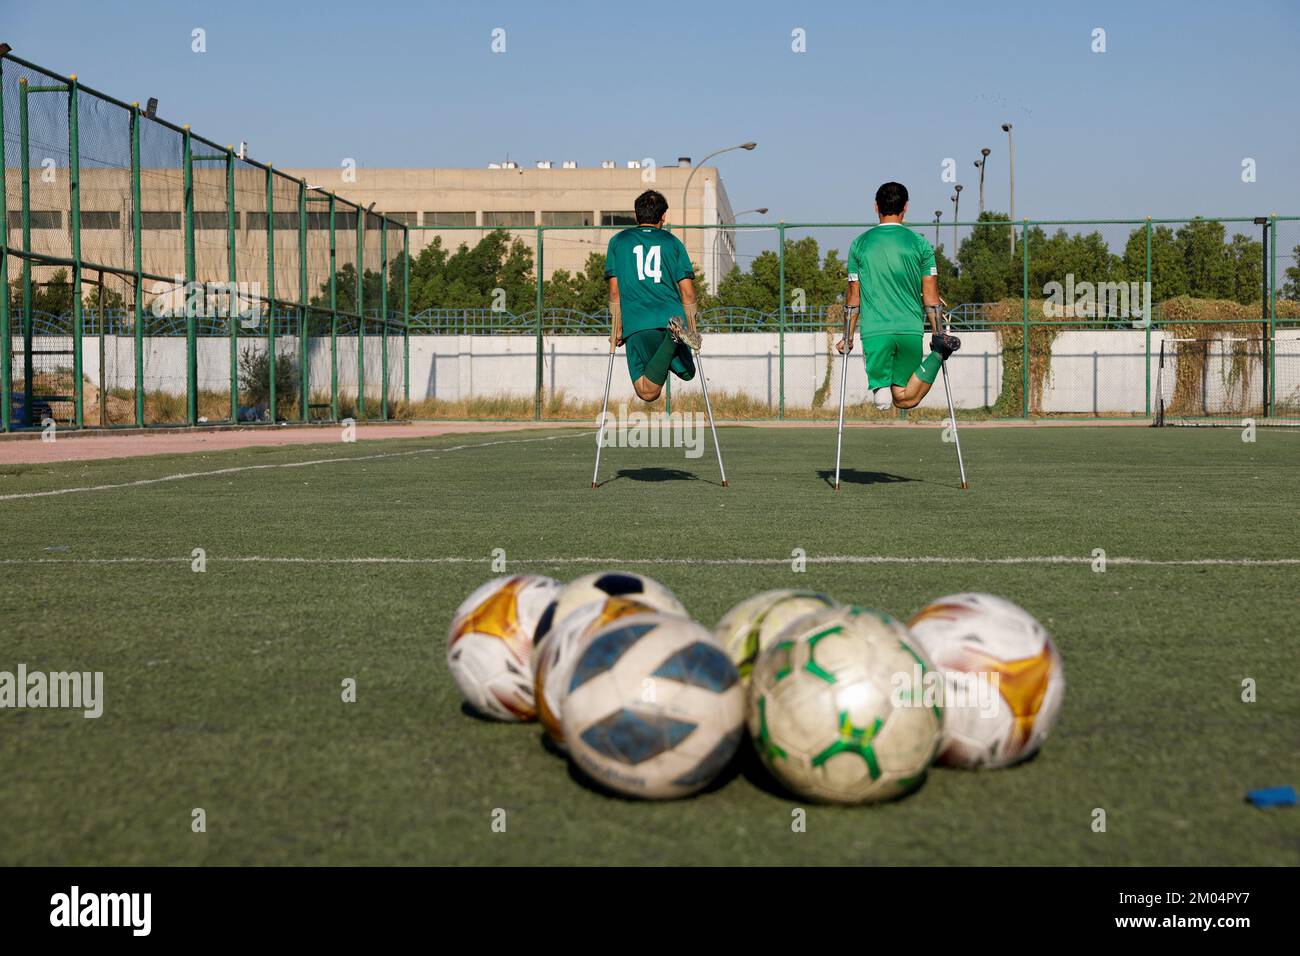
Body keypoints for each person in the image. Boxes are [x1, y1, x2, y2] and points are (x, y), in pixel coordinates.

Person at [837, 181, 961, 411]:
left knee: (883, 400)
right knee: (905, 399)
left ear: (876, 207)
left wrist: (848, 337)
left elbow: (853, 298)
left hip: (876, 332)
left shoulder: (859, 245)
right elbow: (931, 296)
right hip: (909, 329)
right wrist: (938, 334)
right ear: (906, 207)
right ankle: (938, 354)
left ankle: (881, 392)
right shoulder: (920, 244)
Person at [605, 189, 700, 403]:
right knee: (688, 372)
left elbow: (614, 291)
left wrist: (617, 326)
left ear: (636, 214)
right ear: (663, 215)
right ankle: (673, 336)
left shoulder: (618, 241)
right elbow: (688, 291)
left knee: (647, 392)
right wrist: (692, 327)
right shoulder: (672, 242)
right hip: (669, 316)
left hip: (637, 322)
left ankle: (672, 338)